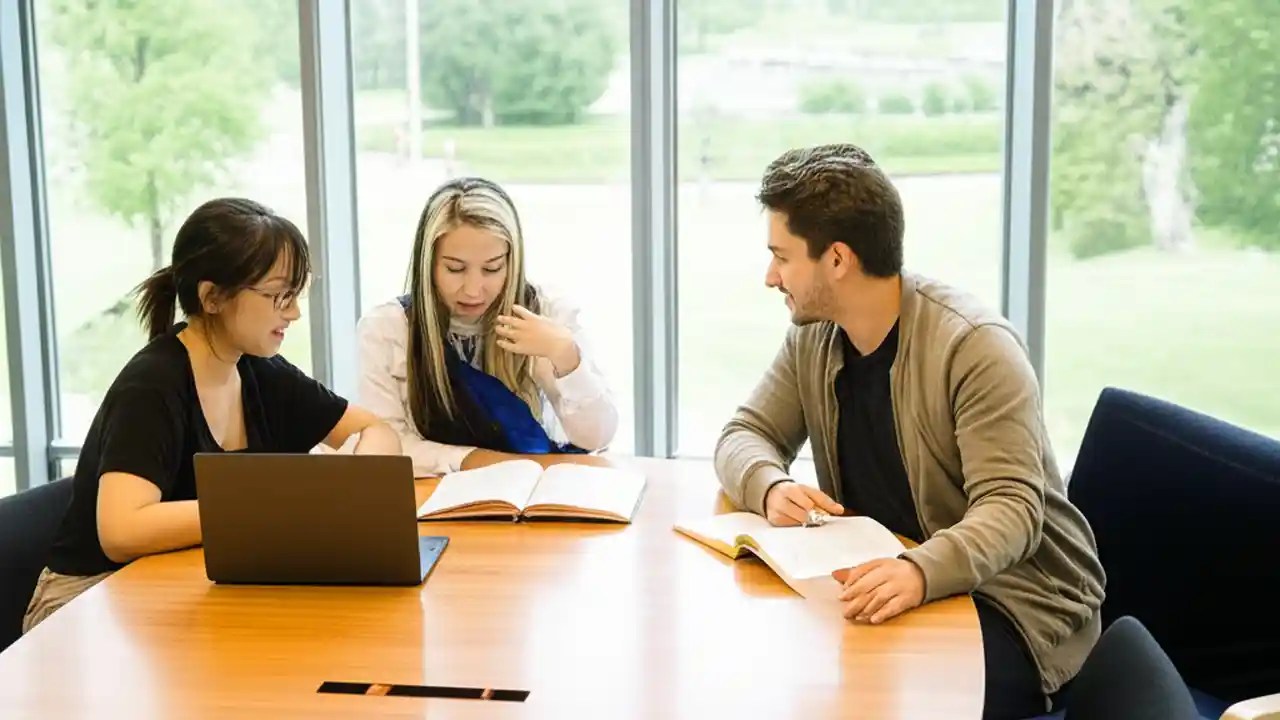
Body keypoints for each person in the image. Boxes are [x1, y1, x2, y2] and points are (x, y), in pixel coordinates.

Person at [714, 144, 1106, 719]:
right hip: (889, 584)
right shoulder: (816, 336)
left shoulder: (974, 348)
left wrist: (920, 571)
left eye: (782, 257)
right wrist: (770, 485)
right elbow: (744, 432)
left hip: (1011, 605)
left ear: (838, 259)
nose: (771, 277)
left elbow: (1012, 509)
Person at [23, 198, 400, 633]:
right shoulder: (153, 385)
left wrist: (351, 485)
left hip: (180, 587)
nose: (294, 311)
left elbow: (373, 429)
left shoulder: (260, 370)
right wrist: (270, 507)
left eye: (297, 292)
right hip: (85, 602)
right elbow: (121, 529)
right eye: (279, 295)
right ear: (213, 297)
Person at [357, 177, 617, 476]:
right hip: (438, 501)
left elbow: (596, 437)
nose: (473, 289)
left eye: (492, 268)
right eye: (455, 269)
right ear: (427, 264)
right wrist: (479, 461)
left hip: (539, 491)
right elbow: (387, 445)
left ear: (513, 261)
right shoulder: (387, 328)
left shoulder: (547, 312)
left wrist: (566, 356)